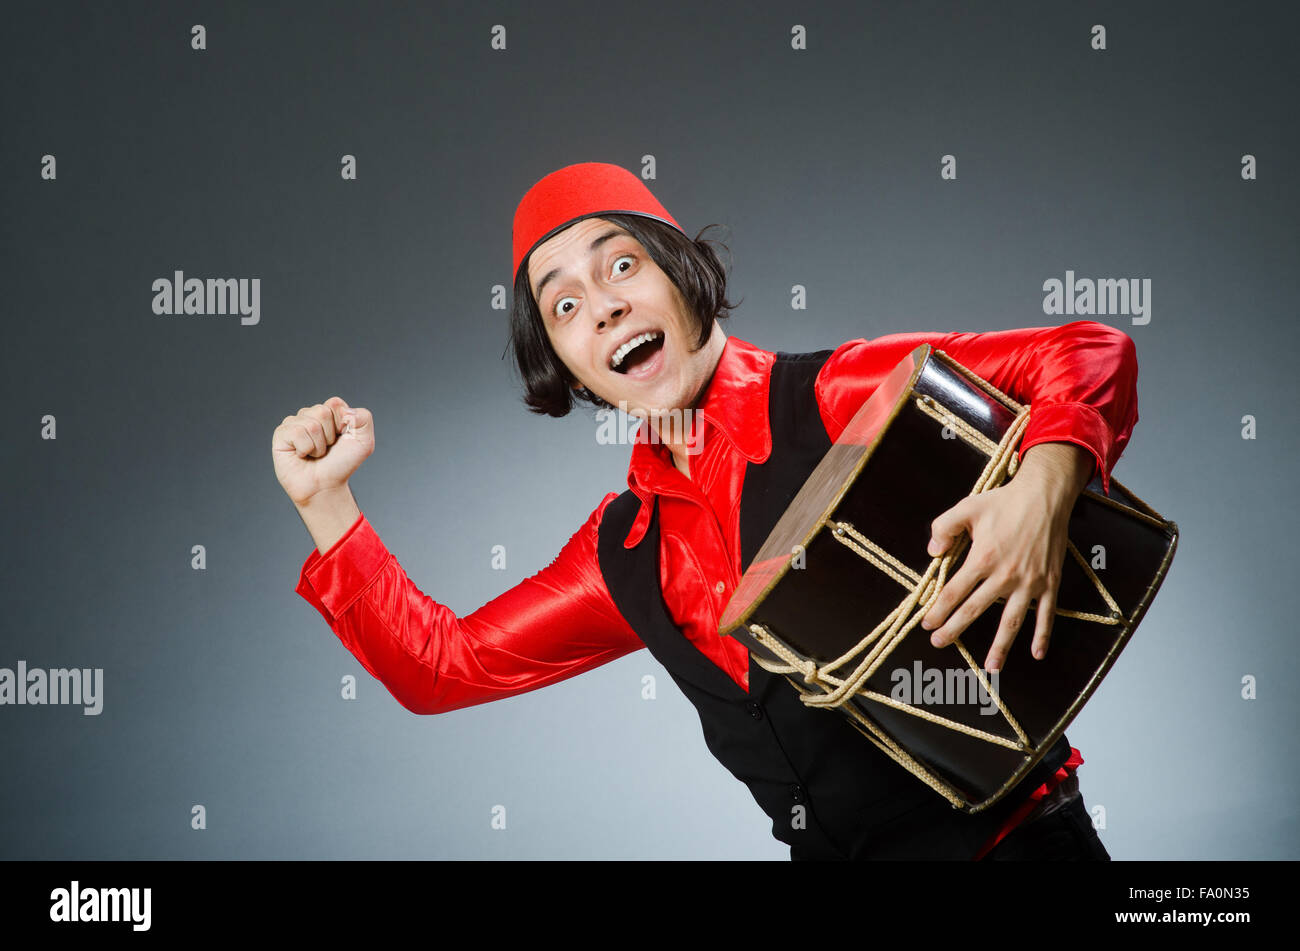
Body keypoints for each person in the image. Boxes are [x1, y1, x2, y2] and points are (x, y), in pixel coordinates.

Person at [271, 162, 1136, 859]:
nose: (602, 304)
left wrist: (1046, 482)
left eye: (621, 265)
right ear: (566, 363)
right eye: (564, 304)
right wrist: (327, 503)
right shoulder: (622, 552)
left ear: (683, 273)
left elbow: (1084, 352)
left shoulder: (834, 396)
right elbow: (443, 667)